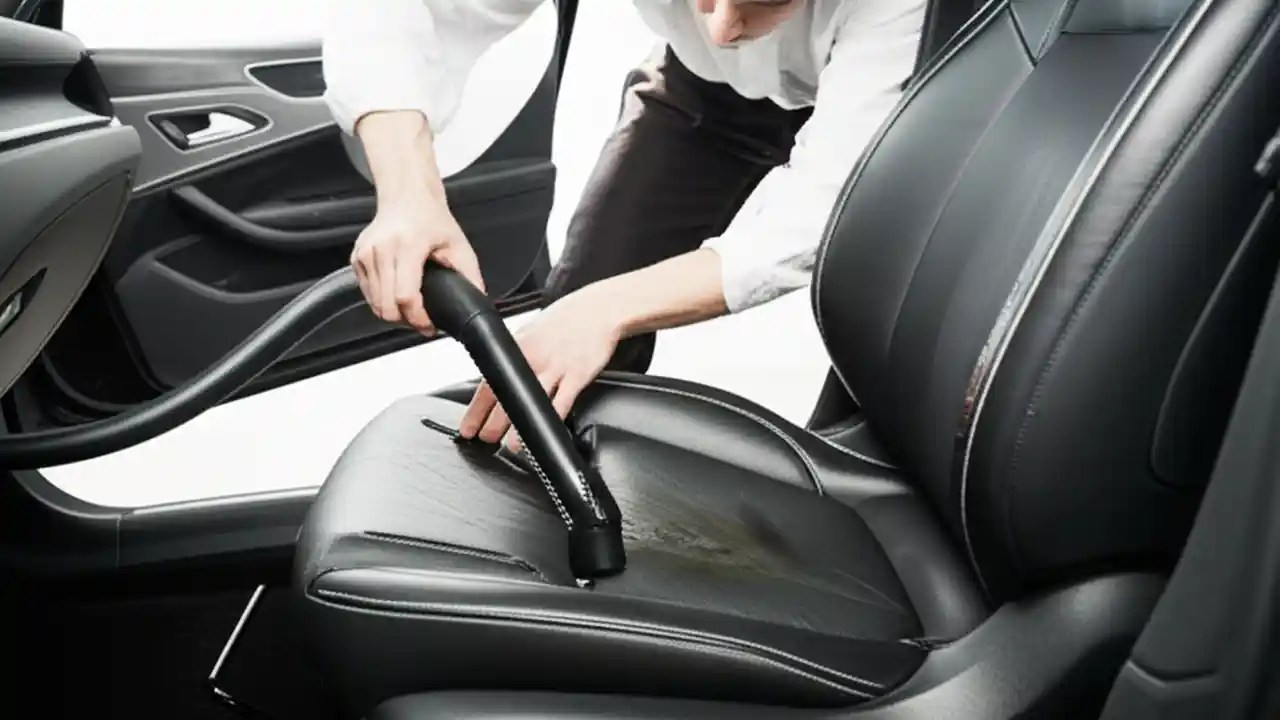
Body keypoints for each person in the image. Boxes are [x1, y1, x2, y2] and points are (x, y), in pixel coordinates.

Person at [323, 0, 925, 450]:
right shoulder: (713, 45)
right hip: (701, 94)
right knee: (563, 344)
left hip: (897, 113)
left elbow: (816, 210)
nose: (721, 30)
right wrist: (407, 193)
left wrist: (611, 309)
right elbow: (404, 10)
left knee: (886, 358)